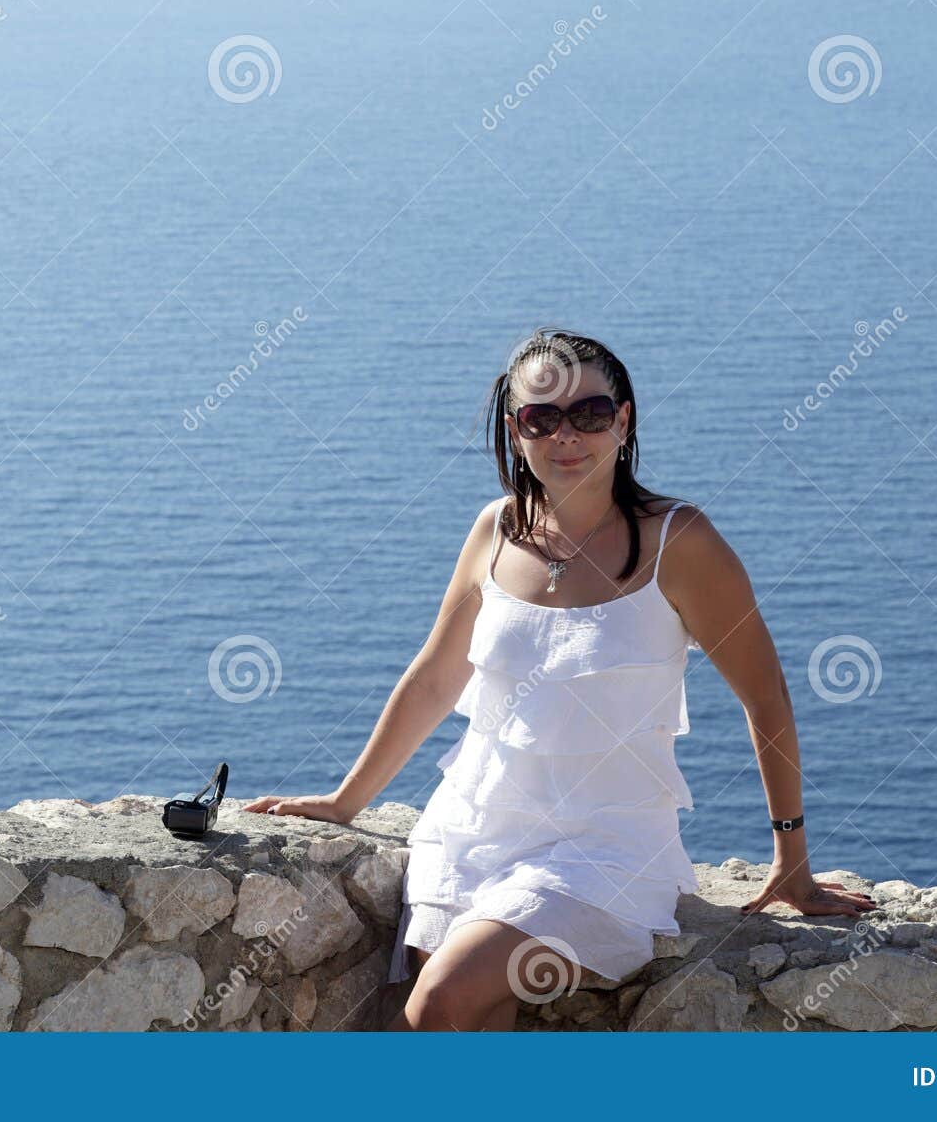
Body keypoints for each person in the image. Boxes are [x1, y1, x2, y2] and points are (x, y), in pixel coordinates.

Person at [243, 327, 877, 1030]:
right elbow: (434, 678)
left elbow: (766, 695)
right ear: (516, 431)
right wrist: (343, 801)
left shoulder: (681, 541)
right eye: (541, 417)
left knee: (440, 1001)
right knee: (471, 1020)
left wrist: (792, 856)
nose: (565, 435)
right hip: (475, 827)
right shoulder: (496, 530)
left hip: (604, 848)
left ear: (625, 420)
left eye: (590, 413)